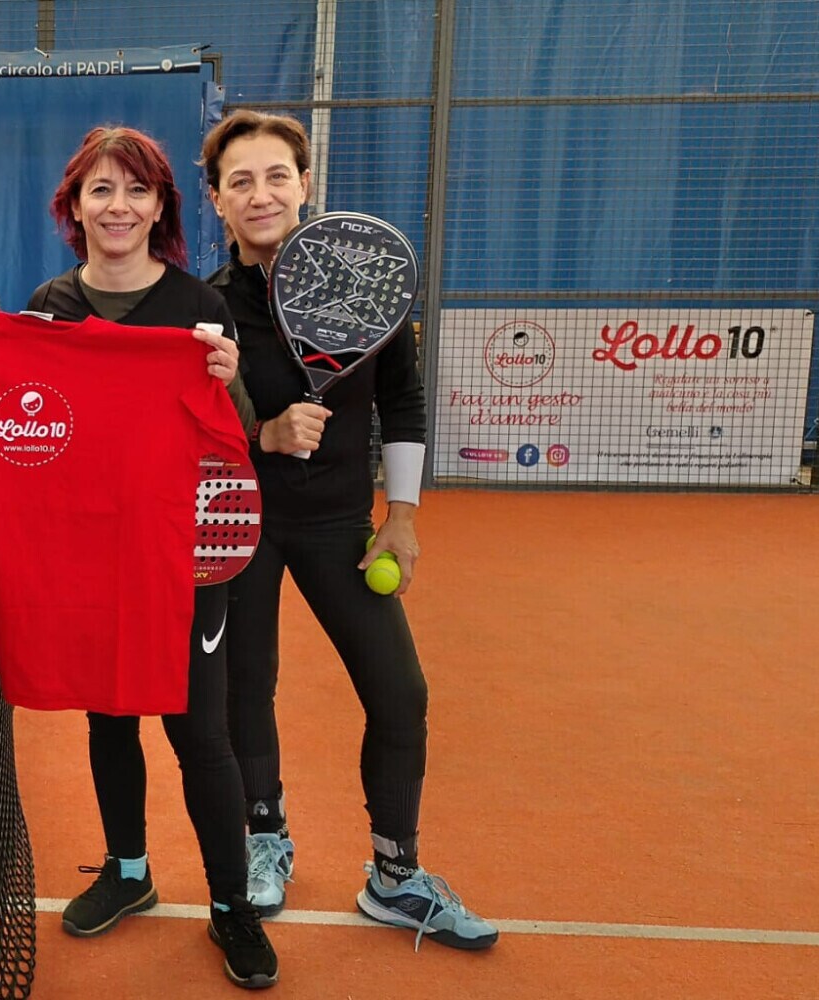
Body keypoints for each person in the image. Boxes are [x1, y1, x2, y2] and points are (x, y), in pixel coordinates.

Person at [200, 110, 498, 950]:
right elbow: (191, 426)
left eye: (277, 176)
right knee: (246, 688)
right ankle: (264, 838)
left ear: (305, 185)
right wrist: (262, 431)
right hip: (243, 520)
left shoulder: (371, 285)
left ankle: (395, 876)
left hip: (338, 521)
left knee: (400, 693)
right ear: (217, 200)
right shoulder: (208, 306)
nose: (260, 194)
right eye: (240, 181)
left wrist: (400, 516)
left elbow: (401, 400)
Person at [25, 125, 277, 990]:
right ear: (75, 205)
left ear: (162, 205)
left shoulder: (200, 308)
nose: (119, 206)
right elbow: (34, 429)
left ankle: (231, 905)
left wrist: (230, 377)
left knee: (200, 732)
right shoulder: (50, 307)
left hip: (185, 560)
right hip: (92, 557)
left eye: (136, 190)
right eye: (101, 189)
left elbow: (240, 436)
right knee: (109, 718)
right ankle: (128, 871)